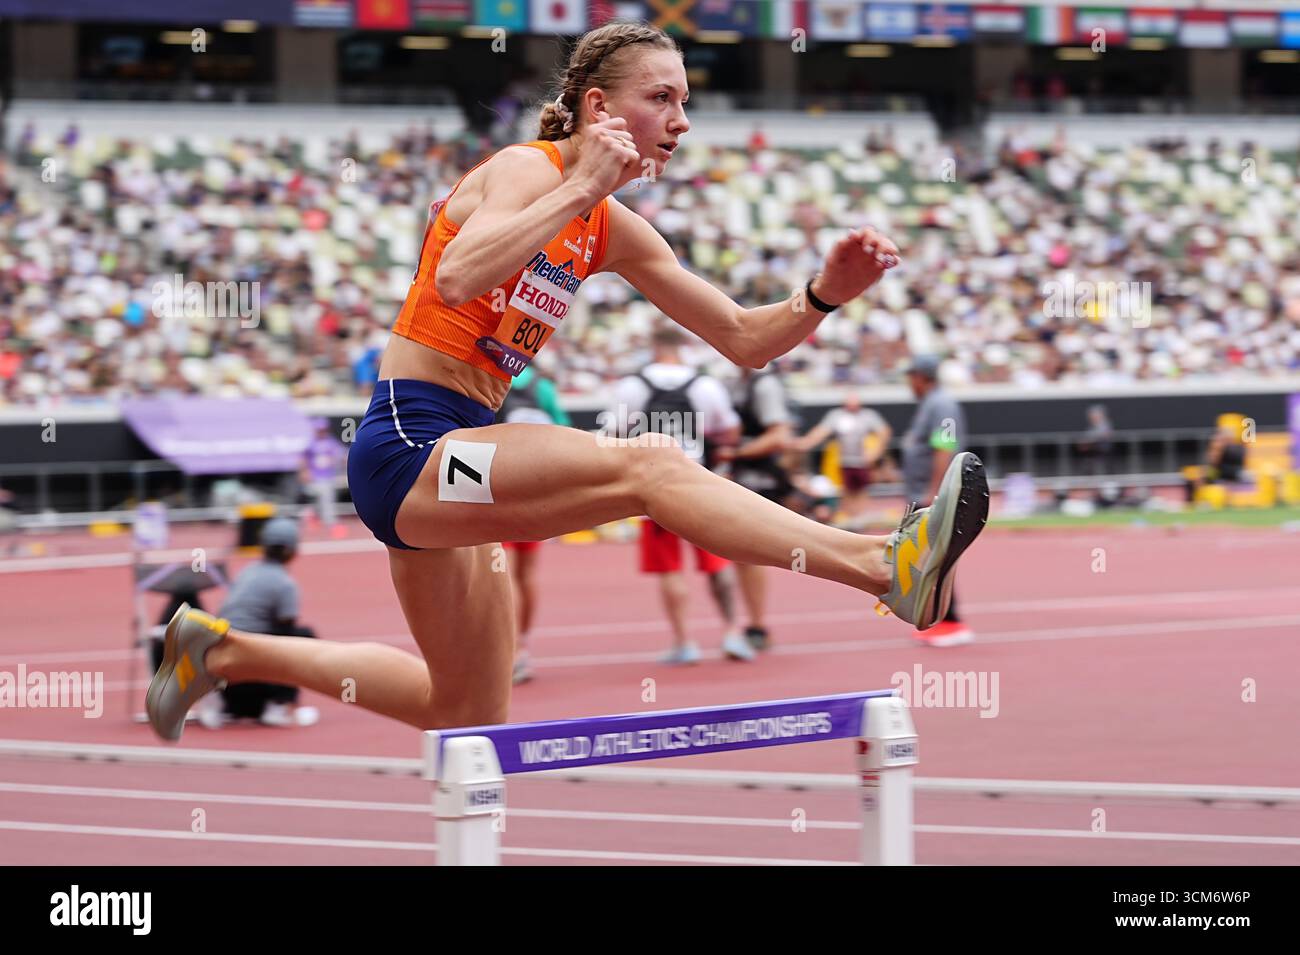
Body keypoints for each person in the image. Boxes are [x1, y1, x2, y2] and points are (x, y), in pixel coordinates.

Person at [147, 20, 988, 743]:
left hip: (456, 461)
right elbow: (458, 277)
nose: (681, 121)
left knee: (465, 710)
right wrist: (582, 182)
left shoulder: (613, 227)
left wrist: (822, 295)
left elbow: (744, 338)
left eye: (685, 102)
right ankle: (885, 566)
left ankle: (217, 651)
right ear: (596, 107)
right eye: (662, 98)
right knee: (651, 464)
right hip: (409, 441)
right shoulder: (529, 170)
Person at [606, 324, 751, 664]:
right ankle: (732, 631)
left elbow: (612, 434)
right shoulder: (705, 385)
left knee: (670, 569)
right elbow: (728, 430)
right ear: (682, 348)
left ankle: (685, 641)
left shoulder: (633, 385)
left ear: (654, 348)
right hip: (697, 480)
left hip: (652, 485)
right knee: (717, 561)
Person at [195, 518, 321, 729]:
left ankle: (217, 698)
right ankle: (279, 705)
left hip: (219, 654)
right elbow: (285, 630)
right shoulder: (284, 584)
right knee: (302, 637)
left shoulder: (248, 572)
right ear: (292, 551)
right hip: (249, 660)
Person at [495, 365, 571, 684]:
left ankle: (509, 653)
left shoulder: (491, 379)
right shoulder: (544, 386)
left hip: (500, 485)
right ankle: (522, 647)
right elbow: (563, 432)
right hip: (537, 489)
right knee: (527, 573)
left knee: (504, 573)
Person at [719, 364, 801, 652]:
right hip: (742, 475)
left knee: (748, 553)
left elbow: (779, 436)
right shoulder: (734, 382)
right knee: (742, 555)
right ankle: (754, 624)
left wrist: (737, 451)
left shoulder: (765, 385)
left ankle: (757, 625)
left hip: (761, 477)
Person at [901, 354, 976, 648]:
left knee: (937, 557)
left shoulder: (942, 404)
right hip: (925, 492)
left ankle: (951, 620)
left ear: (922, 376)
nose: (909, 382)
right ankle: (939, 617)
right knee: (928, 557)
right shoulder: (931, 403)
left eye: (911, 376)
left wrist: (934, 493)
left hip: (935, 495)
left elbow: (945, 447)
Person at [793, 392, 892, 529]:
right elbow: (821, 431)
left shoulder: (868, 415)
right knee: (846, 491)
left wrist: (875, 452)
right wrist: (805, 443)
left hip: (862, 462)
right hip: (845, 461)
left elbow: (884, 432)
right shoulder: (837, 415)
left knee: (862, 491)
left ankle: (860, 520)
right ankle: (852, 522)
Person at [301, 418, 347, 538]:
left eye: (323, 429)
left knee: (326, 498)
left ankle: (330, 523)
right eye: (319, 429)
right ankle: (316, 518)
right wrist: (305, 472)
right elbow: (303, 458)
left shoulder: (331, 442)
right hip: (315, 477)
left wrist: (340, 463)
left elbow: (342, 455)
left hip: (327, 477)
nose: (322, 431)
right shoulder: (311, 443)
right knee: (316, 498)